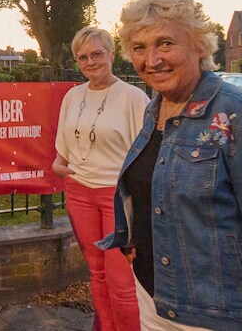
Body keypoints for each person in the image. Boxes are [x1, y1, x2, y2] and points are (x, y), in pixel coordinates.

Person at [98, 0, 242, 330]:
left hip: (212, 317)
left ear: (199, 46)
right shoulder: (155, 111)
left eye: (165, 43)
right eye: (139, 48)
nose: (151, 60)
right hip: (153, 302)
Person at [52, 27, 146, 331]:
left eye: (96, 54)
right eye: (83, 57)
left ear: (111, 54)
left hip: (117, 197)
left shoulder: (133, 97)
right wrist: (58, 163)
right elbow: (62, 147)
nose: (90, 62)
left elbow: (146, 153)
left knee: (121, 280)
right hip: (79, 192)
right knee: (97, 272)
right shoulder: (72, 96)